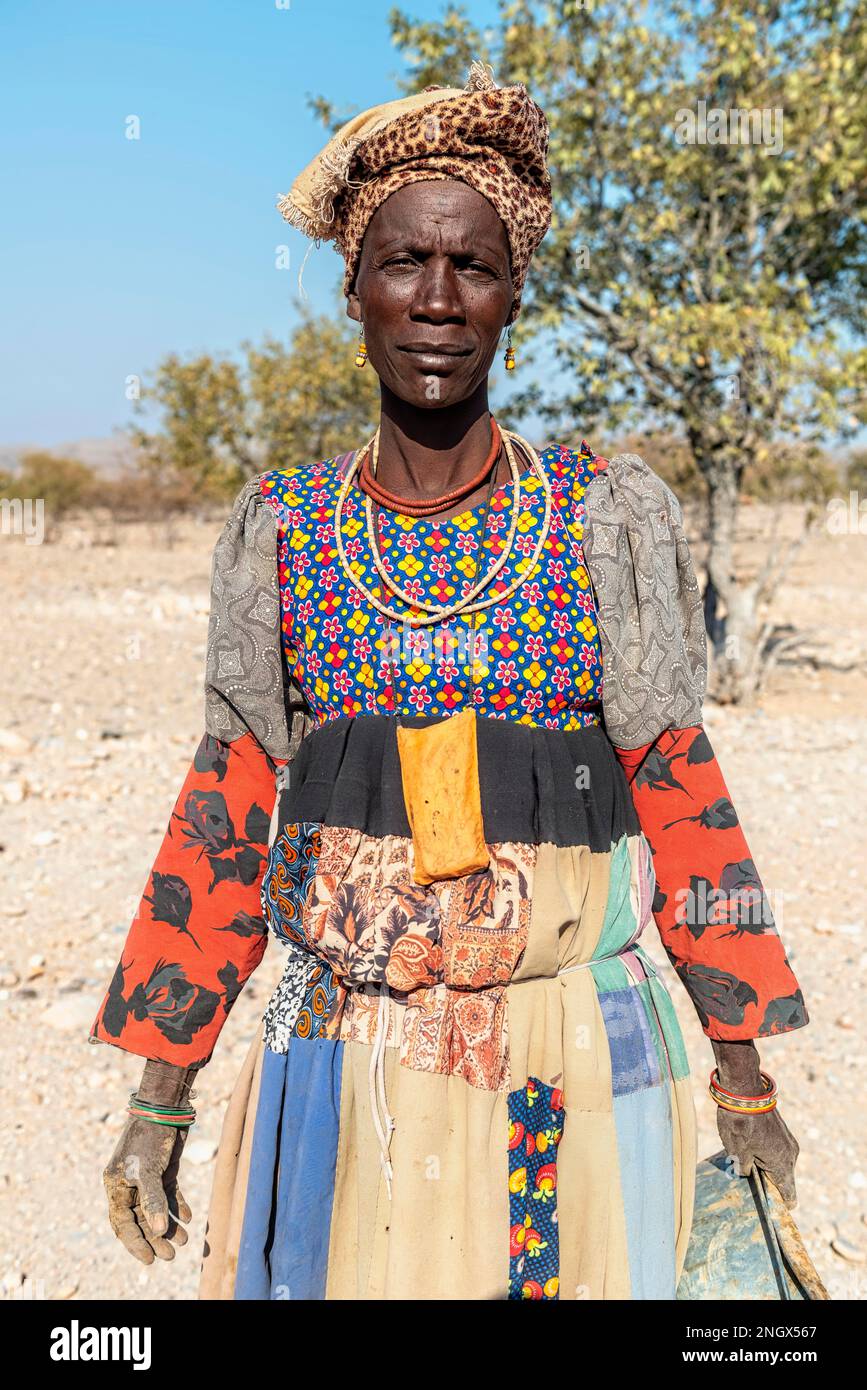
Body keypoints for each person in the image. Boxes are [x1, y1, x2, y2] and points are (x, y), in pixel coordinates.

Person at [92, 63, 807, 1301]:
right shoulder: (286, 529)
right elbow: (224, 809)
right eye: (404, 263)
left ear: (515, 290)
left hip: (572, 1052)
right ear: (353, 290)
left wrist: (743, 1079)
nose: (436, 300)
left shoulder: (597, 517)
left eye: (473, 267)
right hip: (340, 1062)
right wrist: (160, 1099)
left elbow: (681, 793)